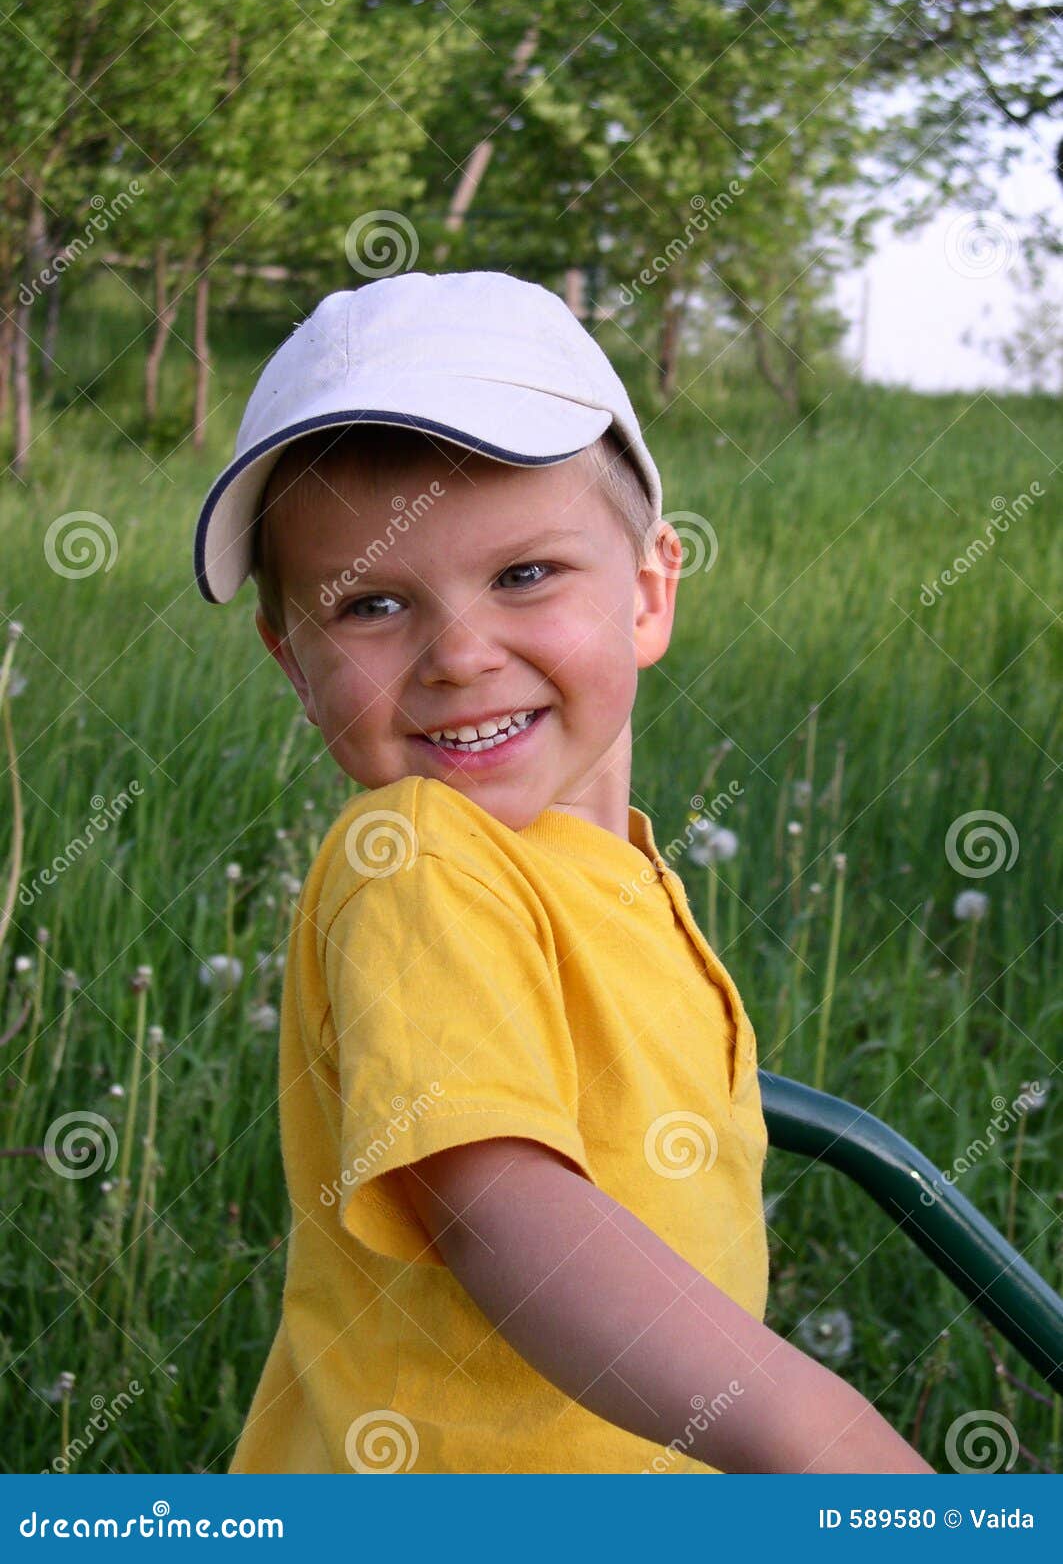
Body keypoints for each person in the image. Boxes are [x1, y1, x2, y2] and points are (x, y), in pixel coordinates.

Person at [193, 270, 932, 1475]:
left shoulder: (618, 877)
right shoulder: (417, 856)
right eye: (373, 603)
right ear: (293, 662)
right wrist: (823, 1439)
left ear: (647, 591)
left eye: (523, 575)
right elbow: (505, 1214)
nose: (459, 654)